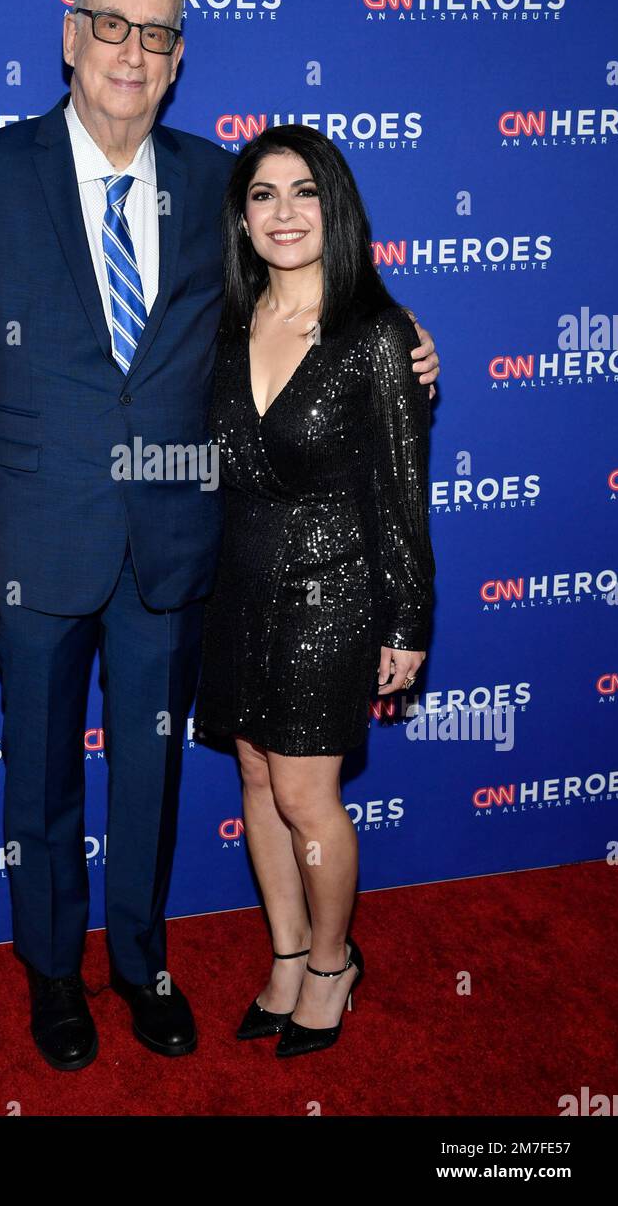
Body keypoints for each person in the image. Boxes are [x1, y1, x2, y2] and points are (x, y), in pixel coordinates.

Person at [0, 0, 440, 1072]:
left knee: (148, 777)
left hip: (173, 542)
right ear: (70, 34)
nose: (131, 53)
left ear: (179, 56)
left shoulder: (213, 182)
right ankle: (54, 974)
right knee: (40, 778)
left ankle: (141, 963)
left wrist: (403, 344)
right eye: (112, 25)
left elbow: (308, 282)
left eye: (156, 35)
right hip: (35, 538)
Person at [193, 125, 436, 1058]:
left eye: (305, 193)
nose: (284, 213)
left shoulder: (379, 336)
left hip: (332, 595)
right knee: (253, 776)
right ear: (242, 217)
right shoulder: (225, 324)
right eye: (263, 195)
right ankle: (288, 954)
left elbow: (403, 496)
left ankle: (335, 963)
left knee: (304, 792)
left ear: (336, 208)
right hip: (236, 589)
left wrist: (409, 620)